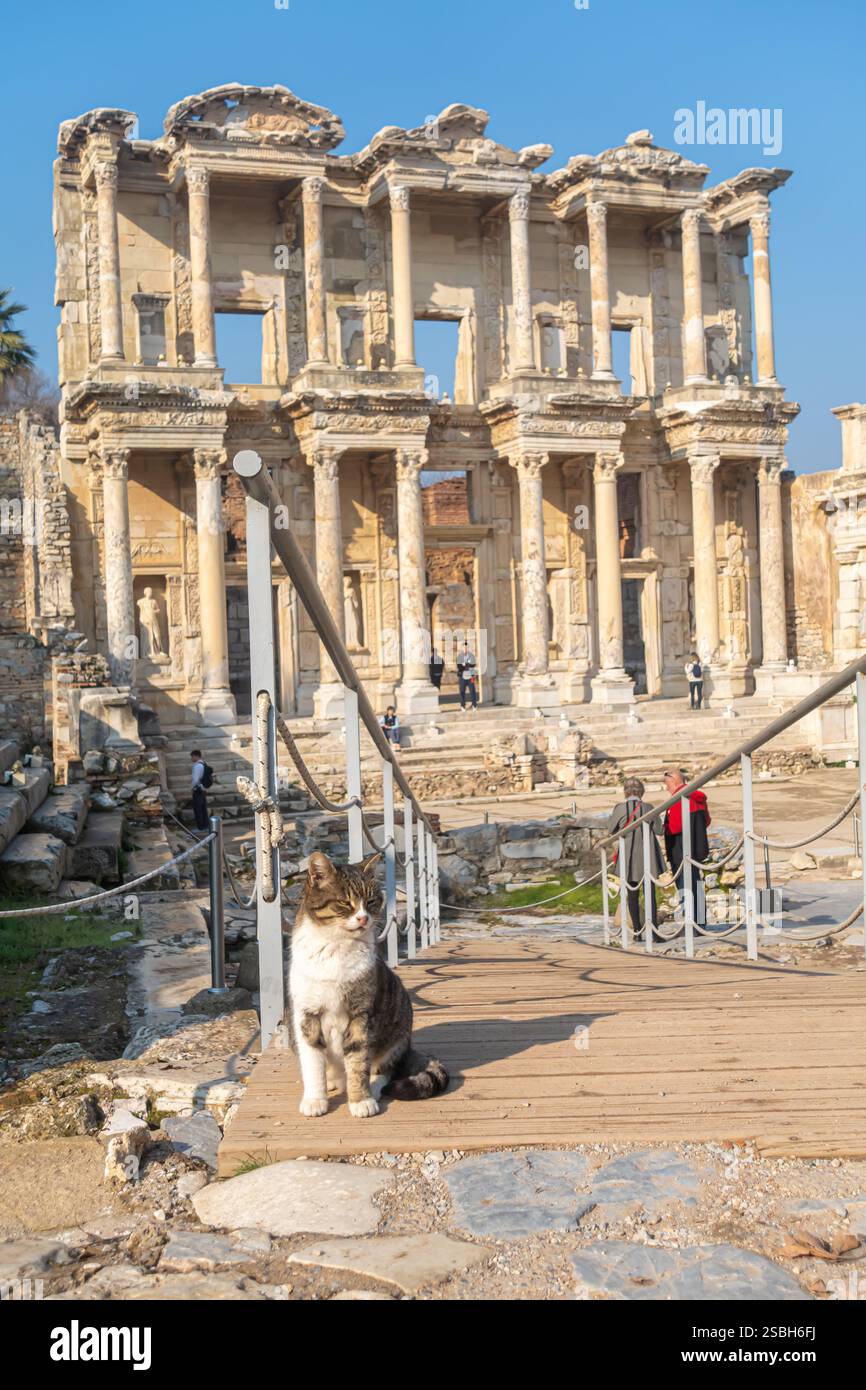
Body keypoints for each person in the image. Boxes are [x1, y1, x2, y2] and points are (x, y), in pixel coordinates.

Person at [606, 777, 664, 935]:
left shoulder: (619, 808)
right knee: (650, 894)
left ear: (625, 792)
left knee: (632, 894)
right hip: (648, 856)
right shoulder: (648, 807)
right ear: (642, 791)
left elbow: (610, 829)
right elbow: (660, 830)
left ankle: (637, 930)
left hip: (629, 858)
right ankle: (654, 931)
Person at [662, 766, 711, 924]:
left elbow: (675, 826)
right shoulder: (697, 797)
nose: (666, 787)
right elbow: (707, 821)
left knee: (685, 886)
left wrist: (662, 828)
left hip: (681, 850)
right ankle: (700, 921)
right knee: (695, 883)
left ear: (674, 780)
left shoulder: (679, 798)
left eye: (667, 783)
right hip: (697, 847)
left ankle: (691, 922)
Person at [190, 749, 210, 831]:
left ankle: (200, 827)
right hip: (203, 789)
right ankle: (206, 825)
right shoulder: (204, 764)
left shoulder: (197, 766)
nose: (191, 759)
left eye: (192, 756)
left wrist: (192, 788)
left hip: (197, 789)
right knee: (203, 808)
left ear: (196, 756)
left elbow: (195, 779)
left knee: (198, 809)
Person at [456, 641, 478, 711]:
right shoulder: (459, 656)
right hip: (462, 676)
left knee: (472, 690)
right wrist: (467, 665)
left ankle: (474, 705)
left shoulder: (471, 656)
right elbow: (459, 666)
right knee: (462, 691)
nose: (465, 649)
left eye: (466, 648)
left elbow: (473, 664)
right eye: (464, 648)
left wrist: (465, 665)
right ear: (462, 649)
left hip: (470, 676)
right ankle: (462, 705)